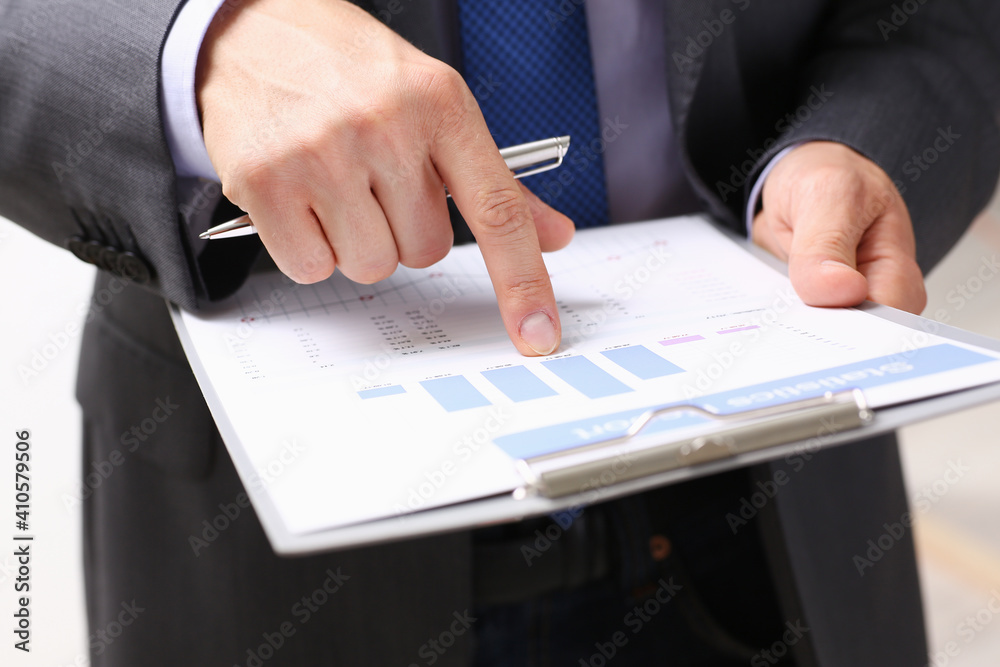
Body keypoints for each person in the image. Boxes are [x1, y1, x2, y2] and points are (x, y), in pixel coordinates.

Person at [1, 0, 998, 665]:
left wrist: (849, 147)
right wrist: (195, 49)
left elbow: (942, 19)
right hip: (271, 561)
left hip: (771, 503)